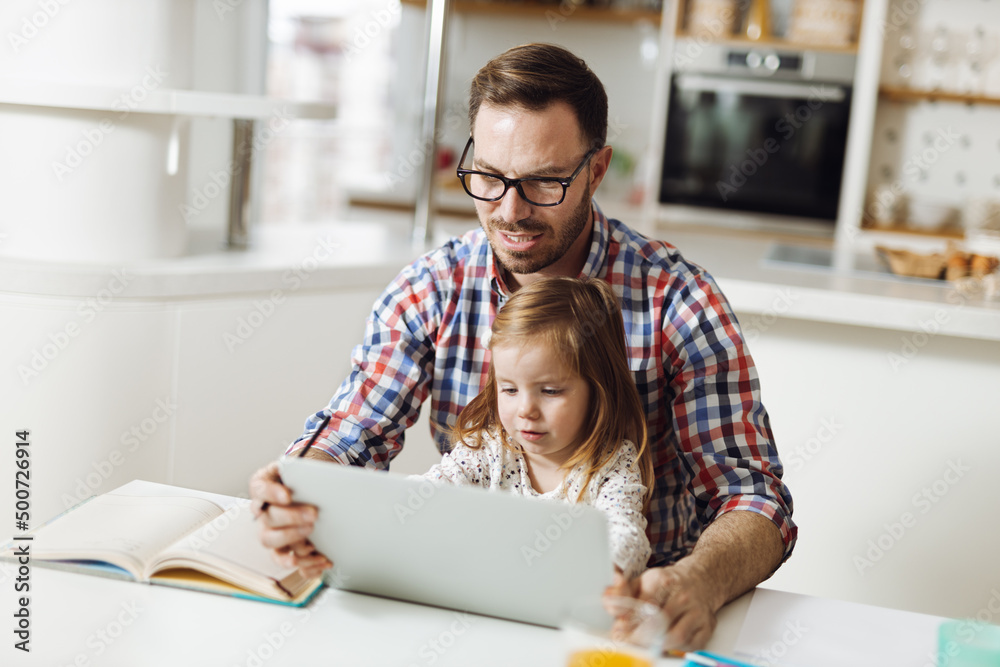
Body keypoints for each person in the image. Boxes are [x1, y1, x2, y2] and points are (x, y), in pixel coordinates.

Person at [251, 42, 796, 649]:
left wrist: (697, 582)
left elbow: (753, 499)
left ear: (596, 169)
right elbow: (352, 437)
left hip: (625, 625)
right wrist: (298, 489)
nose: (509, 211)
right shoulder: (430, 290)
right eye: (487, 177)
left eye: (542, 183)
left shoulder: (678, 300)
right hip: (472, 611)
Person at [419, 276, 654, 580]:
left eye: (551, 391)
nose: (525, 410)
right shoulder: (488, 449)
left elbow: (626, 536)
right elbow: (432, 488)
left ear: (598, 391)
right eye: (510, 390)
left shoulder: (612, 465)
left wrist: (610, 570)